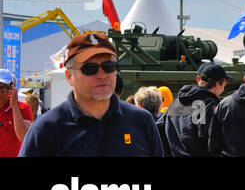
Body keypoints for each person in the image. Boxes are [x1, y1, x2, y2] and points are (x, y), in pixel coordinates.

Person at [19, 32, 163, 157]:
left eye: (109, 67)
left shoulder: (141, 121)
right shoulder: (46, 129)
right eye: (90, 68)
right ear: (69, 76)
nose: (102, 75)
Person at [161, 62, 229, 157]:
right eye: (224, 85)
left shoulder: (176, 103)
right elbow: (210, 138)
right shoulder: (208, 104)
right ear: (218, 84)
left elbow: (160, 128)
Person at [0, 71, 33, 158]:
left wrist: (14, 105)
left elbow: (24, 137)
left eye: (3, 88)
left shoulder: (22, 108)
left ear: (11, 89)